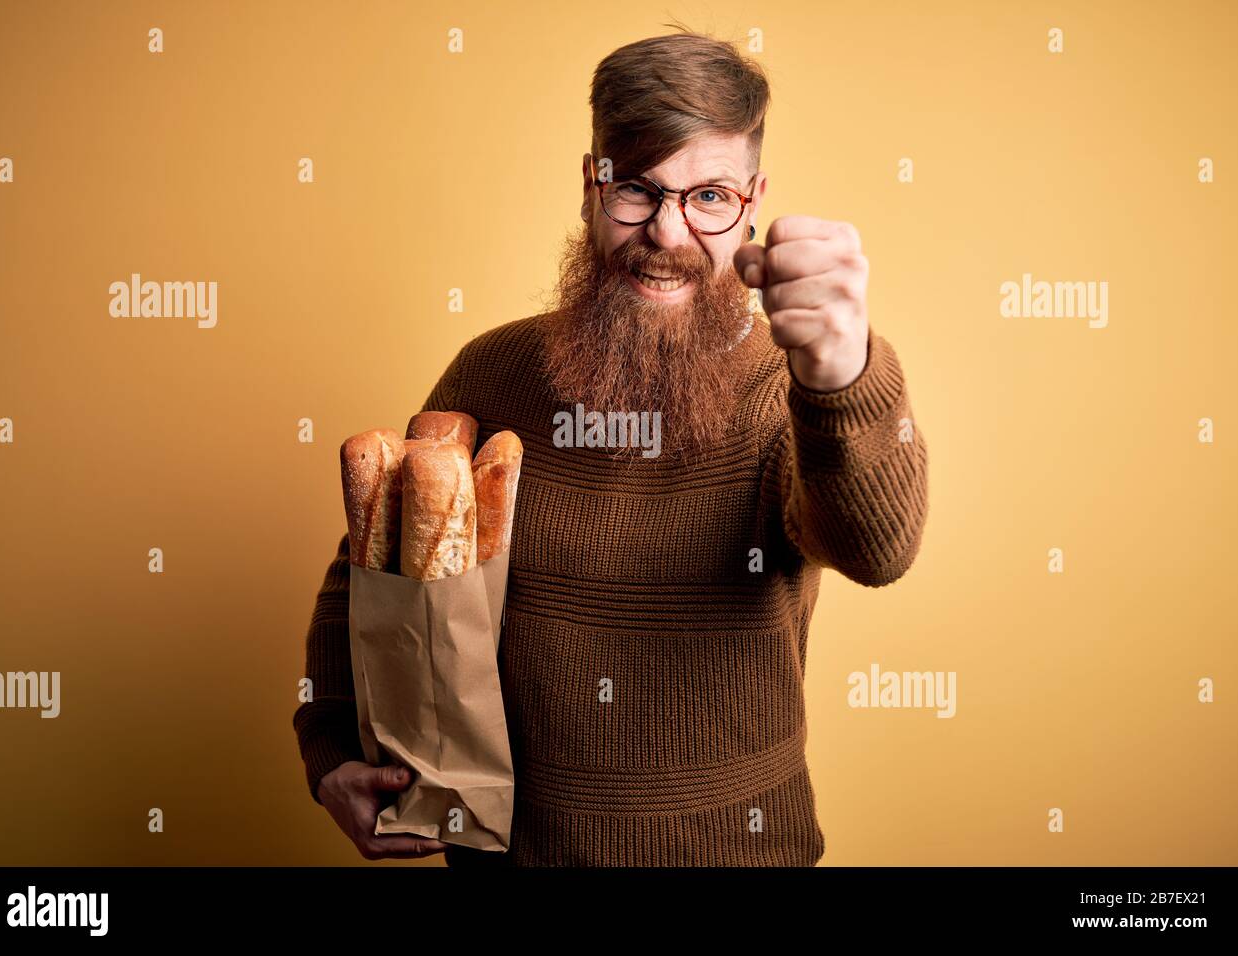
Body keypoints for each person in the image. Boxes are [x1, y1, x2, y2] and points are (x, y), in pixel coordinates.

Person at [294, 27, 929, 866]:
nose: (667, 233)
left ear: (754, 198)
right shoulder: (491, 372)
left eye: (708, 196)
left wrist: (843, 373)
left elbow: (877, 548)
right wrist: (330, 745)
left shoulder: (794, 387)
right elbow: (372, 569)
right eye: (636, 188)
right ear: (590, 187)